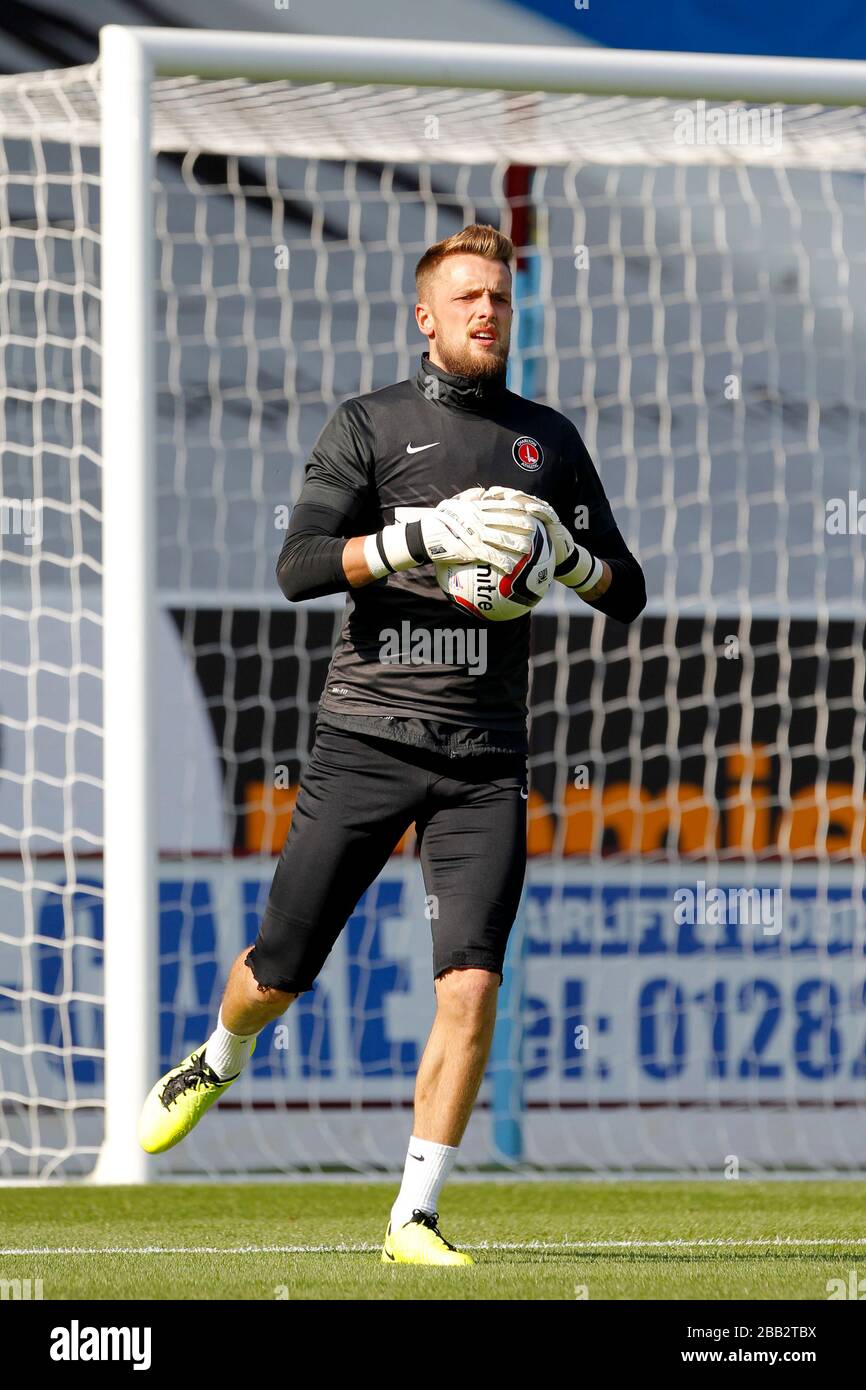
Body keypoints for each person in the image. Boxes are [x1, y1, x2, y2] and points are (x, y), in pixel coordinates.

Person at [138, 223, 647, 1265]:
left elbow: (625, 590)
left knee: (469, 980)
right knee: (277, 972)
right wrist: (422, 537)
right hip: (366, 737)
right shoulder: (369, 424)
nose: (486, 311)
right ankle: (216, 1057)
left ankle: (411, 1213)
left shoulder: (545, 441)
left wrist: (564, 557)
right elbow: (299, 566)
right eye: (466, 297)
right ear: (425, 315)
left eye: (499, 297)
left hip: (484, 755)